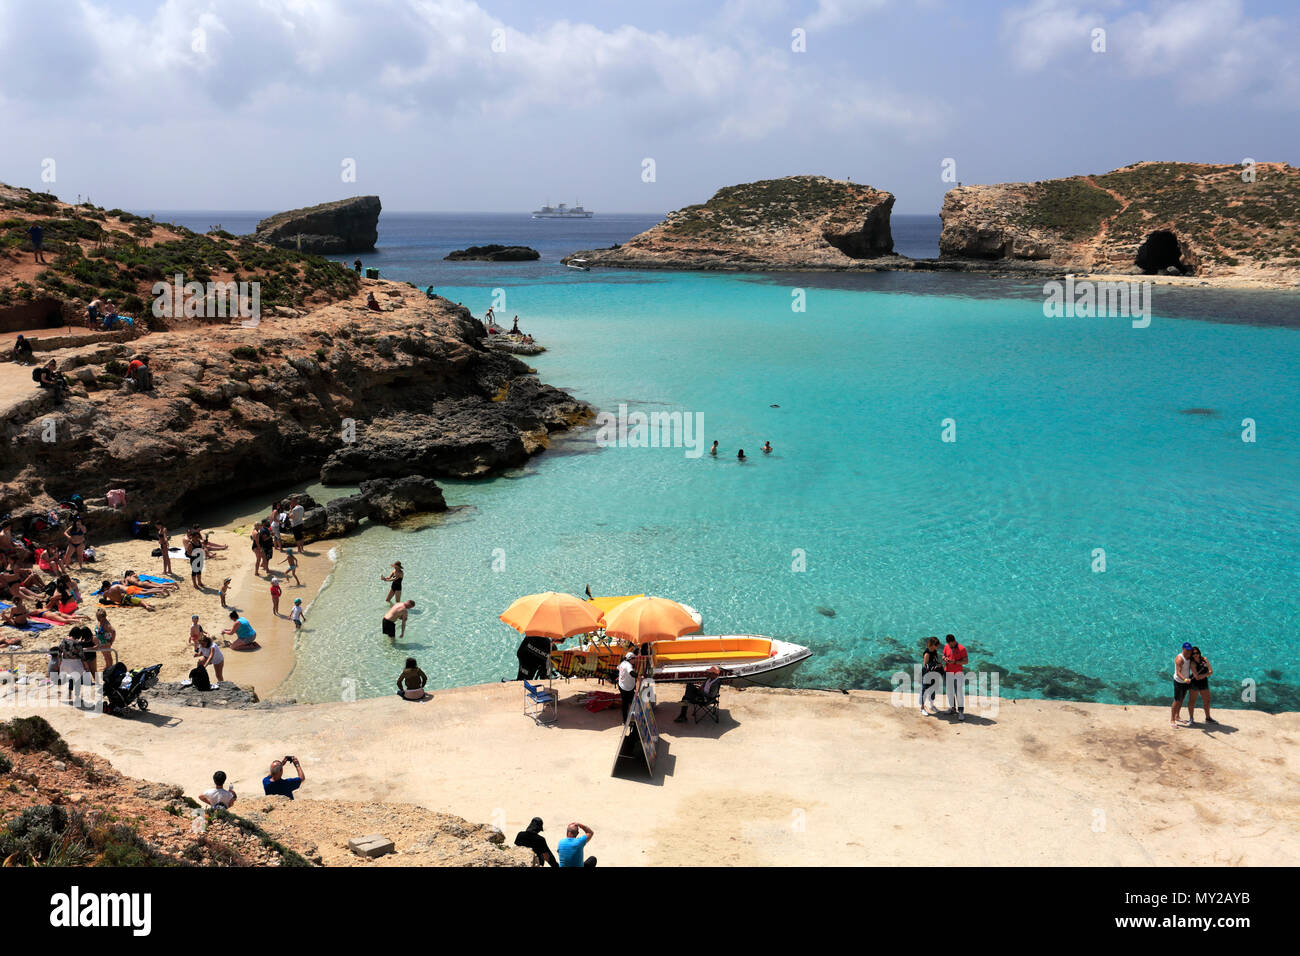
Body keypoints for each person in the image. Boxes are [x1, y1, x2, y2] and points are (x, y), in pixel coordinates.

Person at [1188, 646, 1216, 725]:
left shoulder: (1205, 659)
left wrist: (1204, 675)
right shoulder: (1192, 663)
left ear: (1199, 652)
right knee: (1192, 701)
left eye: (1197, 653)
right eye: (1193, 653)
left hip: (1203, 682)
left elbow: (1211, 671)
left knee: (1207, 701)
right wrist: (1206, 674)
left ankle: (1208, 718)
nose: (1195, 655)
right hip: (1194, 683)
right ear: (1191, 655)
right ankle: (1191, 718)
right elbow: (1196, 677)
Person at [943, 634, 968, 720]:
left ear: (954, 641)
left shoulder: (962, 648)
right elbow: (943, 655)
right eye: (948, 644)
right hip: (948, 672)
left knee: (959, 692)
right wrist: (945, 659)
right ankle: (952, 708)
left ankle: (961, 712)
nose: (949, 646)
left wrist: (955, 662)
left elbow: (966, 661)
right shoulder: (946, 646)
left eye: (951, 644)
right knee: (949, 691)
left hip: (958, 673)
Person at [1171, 642, 1193, 728]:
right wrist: (1184, 679)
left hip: (1185, 682)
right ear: (1183, 649)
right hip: (1179, 682)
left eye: (1190, 650)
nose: (1189, 651)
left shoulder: (1189, 656)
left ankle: (1177, 716)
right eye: (1187, 650)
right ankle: (1172, 720)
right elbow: (1178, 672)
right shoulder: (1179, 659)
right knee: (1176, 701)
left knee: (1181, 699)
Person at [919, 636, 943, 716]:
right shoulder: (927, 653)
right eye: (937, 645)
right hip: (927, 674)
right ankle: (922, 708)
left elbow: (935, 660)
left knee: (933, 689)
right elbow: (926, 666)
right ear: (932, 645)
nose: (938, 647)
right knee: (924, 690)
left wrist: (938, 664)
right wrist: (936, 666)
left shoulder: (934, 651)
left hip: (934, 673)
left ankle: (932, 705)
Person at [617, 651, 637, 724]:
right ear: (630, 659)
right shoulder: (628, 665)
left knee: (625, 704)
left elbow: (618, 668)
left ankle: (625, 720)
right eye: (634, 658)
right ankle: (629, 720)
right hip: (626, 687)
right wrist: (639, 676)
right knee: (630, 704)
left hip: (622, 685)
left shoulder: (623, 663)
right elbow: (631, 673)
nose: (635, 660)